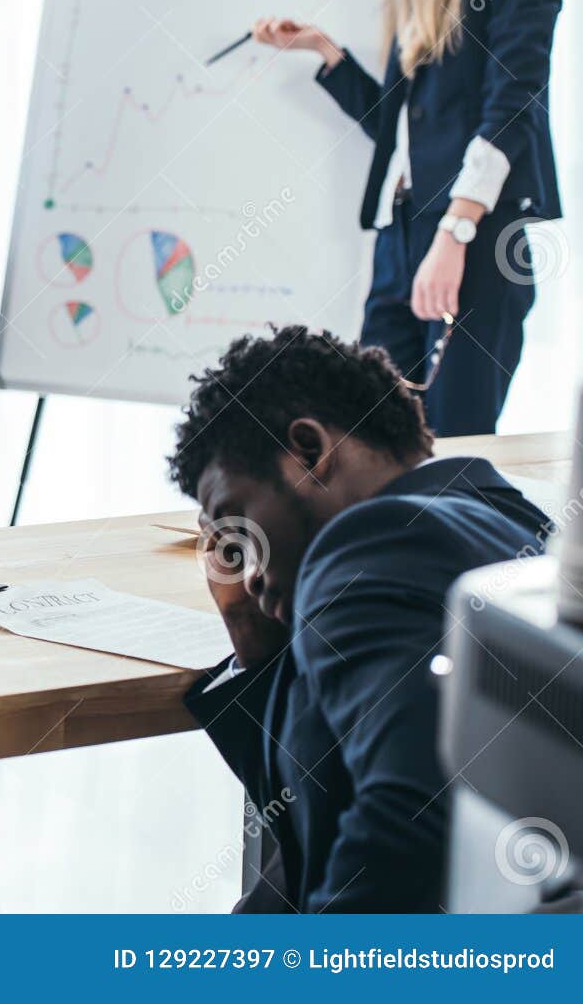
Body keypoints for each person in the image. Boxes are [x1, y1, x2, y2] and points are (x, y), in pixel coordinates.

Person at [169, 326, 550, 912]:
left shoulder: (367, 546)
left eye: (237, 523)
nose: (247, 576)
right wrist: (255, 639)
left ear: (307, 451)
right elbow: (320, 814)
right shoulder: (507, 517)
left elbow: (409, 824)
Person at [252, 0, 561, 437]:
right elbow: (400, 133)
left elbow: (511, 112)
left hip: (475, 239)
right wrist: (325, 52)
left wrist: (455, 232)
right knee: (370, 433)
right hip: (401, 235)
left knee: (451, 443)